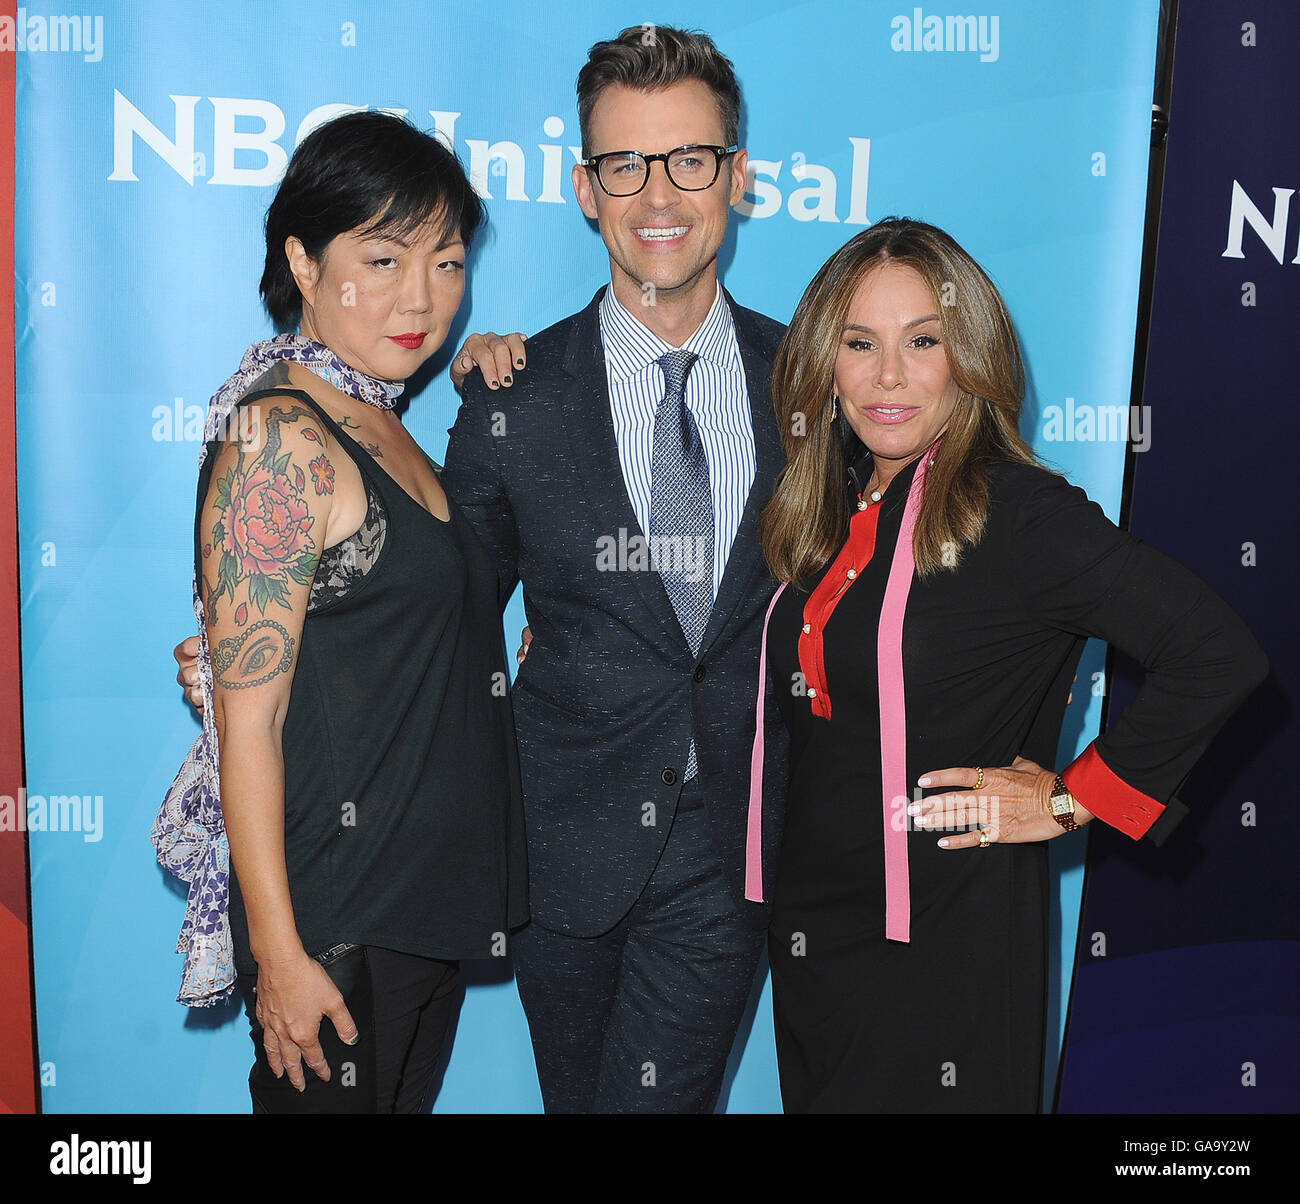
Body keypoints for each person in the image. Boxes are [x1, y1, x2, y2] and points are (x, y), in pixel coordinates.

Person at [750, 218, 1269, 1112]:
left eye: (924, 343)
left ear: (972, 356)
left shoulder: (1019, 512)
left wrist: (1072, 799)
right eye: (859, 343)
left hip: (948, 937)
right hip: (818, 936)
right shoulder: (828, 498)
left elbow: (1216, 653)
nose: (888, 377)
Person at [440, 26, 791, 1112]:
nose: (657, 195)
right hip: (558, 844)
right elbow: (443, 620)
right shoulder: (513, 396)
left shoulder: (814, 385)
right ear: (585, 189)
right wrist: (281, 656)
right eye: (623, 165)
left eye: (688, 158)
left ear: (734, 176)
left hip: (729, 843)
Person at [155, 110, 527, 1114]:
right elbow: (250, 723)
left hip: (419, 908)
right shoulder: (281, 433)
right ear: (303, 261)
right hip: (340, 920)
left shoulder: (382, 416)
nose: (422, 295)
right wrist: (277, 953)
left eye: (447, 262)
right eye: (383, 256)